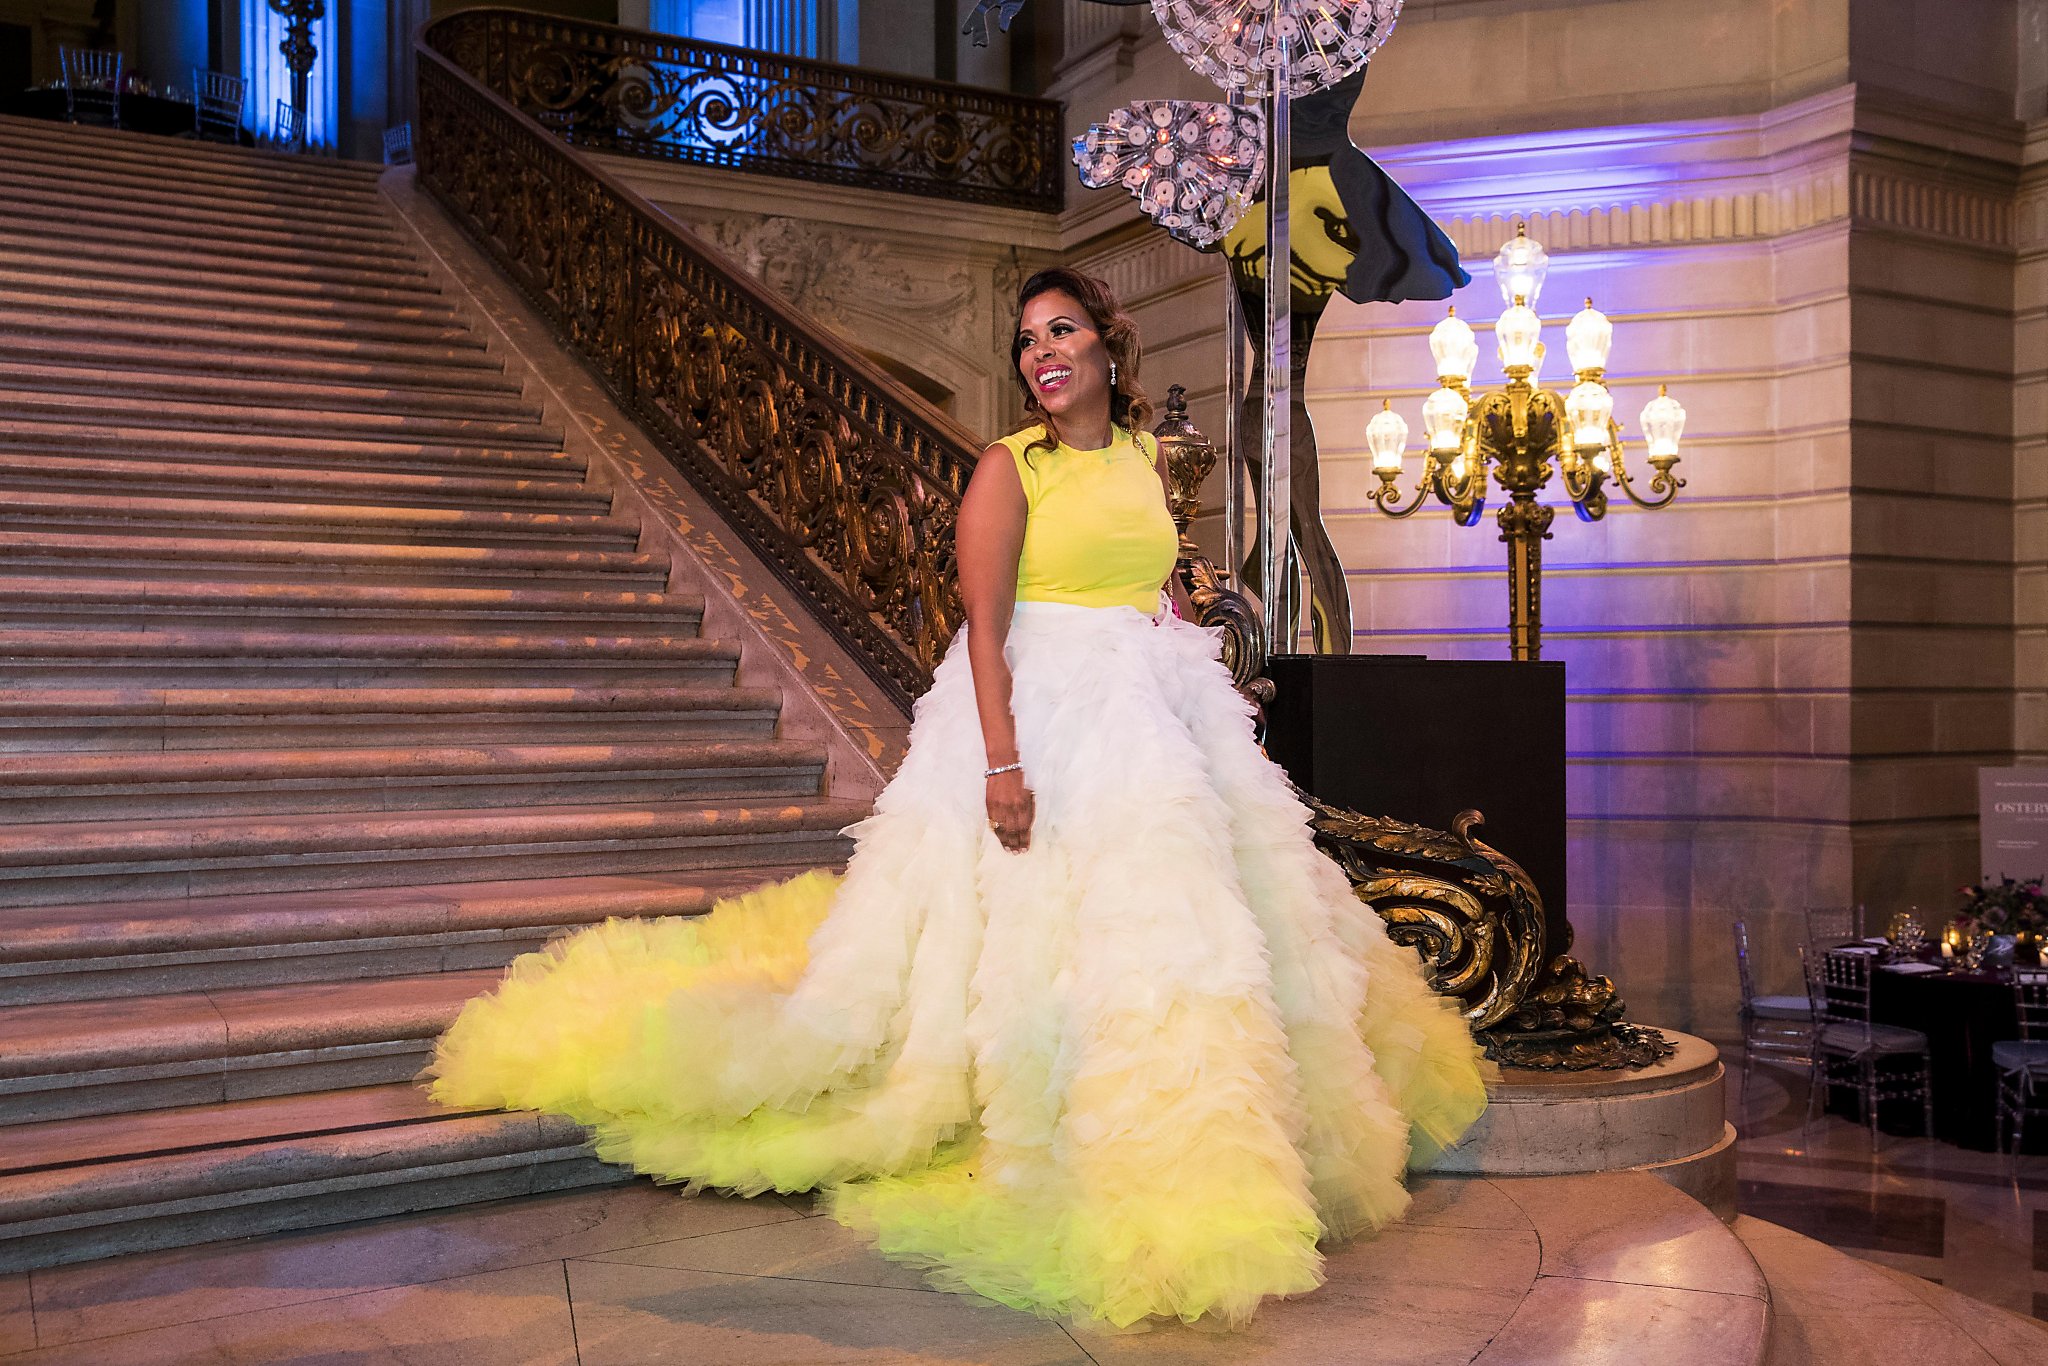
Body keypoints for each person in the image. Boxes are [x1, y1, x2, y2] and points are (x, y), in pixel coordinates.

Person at [423, 267, 1487, 1330]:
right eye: (1026, 340)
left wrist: (1189, 665)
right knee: (1046, 930)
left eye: (1061, 330)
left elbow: (1152, 584)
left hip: (1155, 716)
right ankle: (1083, 1141)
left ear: (1109, 348)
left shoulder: (1136, 458)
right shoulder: (1004, 467)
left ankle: (1213, 1134)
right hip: (1043, 714)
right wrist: (1000, 762)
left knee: (1178, 923)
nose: (1041, 353)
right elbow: (985, 626)